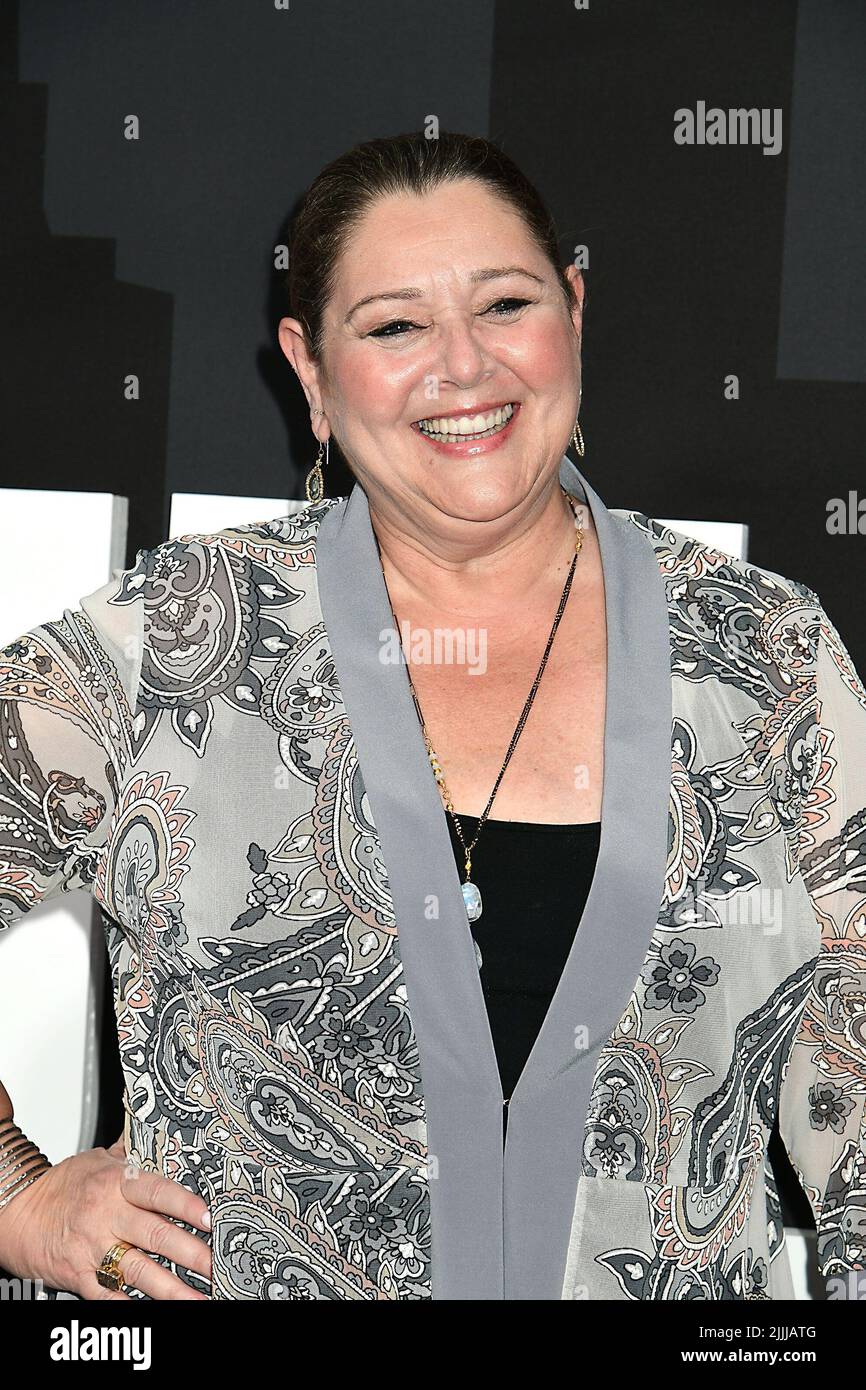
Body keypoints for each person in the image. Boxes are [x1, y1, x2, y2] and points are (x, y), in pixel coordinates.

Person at [0, 129, 864, 1302]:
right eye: (394, 325)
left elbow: (852, 1064)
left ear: (570, 309)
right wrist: (14, 1192)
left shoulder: (765, 654)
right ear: (309, 371)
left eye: (504, 303)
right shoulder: (183, 639)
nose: (463, 368)